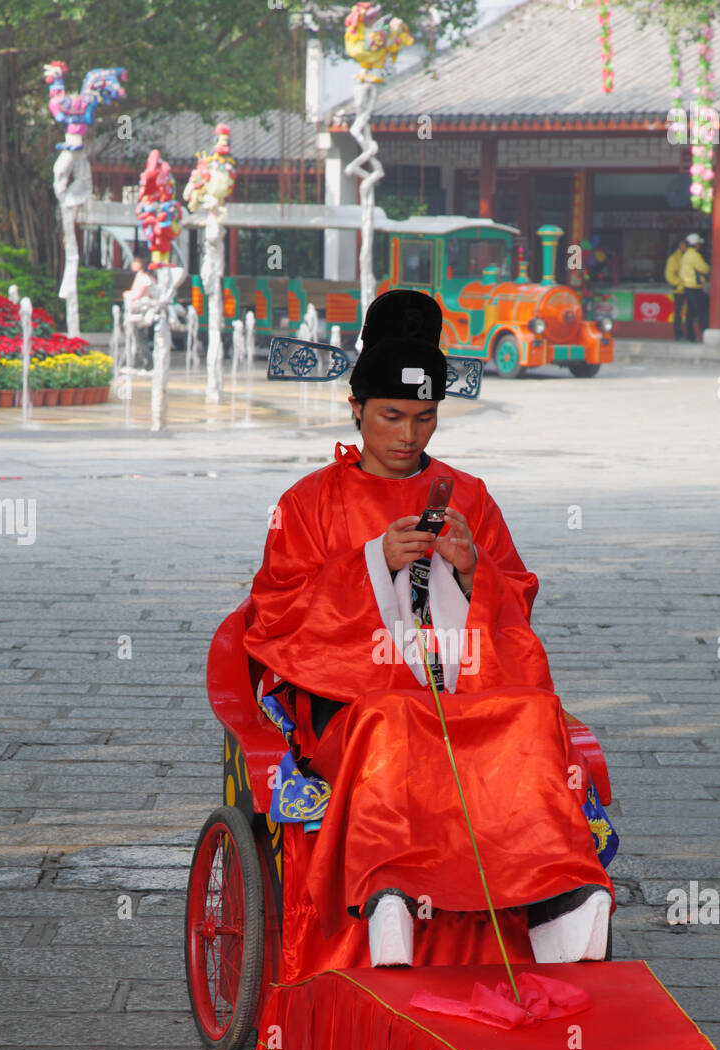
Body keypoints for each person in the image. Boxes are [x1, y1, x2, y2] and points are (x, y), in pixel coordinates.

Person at [243, 289, 616, 968]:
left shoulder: (468, 494)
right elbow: (274, 612)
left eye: (425, 417)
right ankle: (391, 890)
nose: (407, 436)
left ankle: (554, 895)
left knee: (533, 715)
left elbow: (518, 601)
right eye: (389, 416)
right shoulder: (308, 502)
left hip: (462, 685)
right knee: (394, 718)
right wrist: (369, 564)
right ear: (355, 408)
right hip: (353, 704)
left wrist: (476, 575)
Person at [124, 256, 155, 368]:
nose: (133, 265)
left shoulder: (144, 277)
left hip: (140, 311)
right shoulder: (143, 276)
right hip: (138, 310)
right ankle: (138, 363)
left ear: (141, 264)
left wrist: (128, 294)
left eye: (135, 262)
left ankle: (147, 363)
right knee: (137, 338)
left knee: (140, 338)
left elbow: (139, 294)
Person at [680, 233, 709, 342]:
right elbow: (704, 268)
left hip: (688, 286)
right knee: (702, 312)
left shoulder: (686, 254)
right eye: (699, 244)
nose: (700, 246)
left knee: (690, 313)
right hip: (695, 287)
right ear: (695, 244)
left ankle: (690, 335)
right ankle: (705, 334)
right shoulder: (694, 255)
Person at [665, 237, 689, 342]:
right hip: (679, 289)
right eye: (684, 245)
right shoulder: (674, 258)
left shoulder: (687, 256)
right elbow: (669, 275)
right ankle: (678, 333)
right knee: (678, 312)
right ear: (680, 246)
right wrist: (679, 283)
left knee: (689, 312)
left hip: (688, 288)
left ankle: (688, 333)